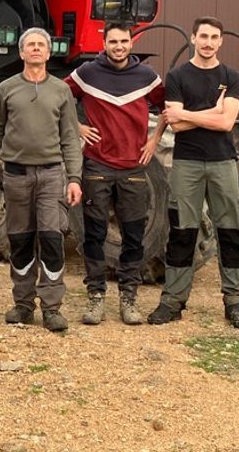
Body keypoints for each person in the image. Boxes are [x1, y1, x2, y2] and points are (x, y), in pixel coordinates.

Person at [147, 16, 239, 330]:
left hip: (223, 163)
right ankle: (172, 301)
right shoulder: (177, 76)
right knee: (182, 231)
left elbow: (226, 124)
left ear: (221, 42)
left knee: (231, 231)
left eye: (214, 37)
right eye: (203, 36)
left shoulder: (230, 76)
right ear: (193, 38)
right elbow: (174, 125)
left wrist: (189, 114)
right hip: (187, 163)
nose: (208, 42)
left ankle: (236, 302)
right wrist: (213, 111)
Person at [65, 21, 166, 325]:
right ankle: (96, 297)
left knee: (133, 236)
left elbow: (169, 108)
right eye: (113, 42)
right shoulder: (87, 73)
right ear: (104, 43)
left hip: (134, 167)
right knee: (94, 235)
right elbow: (57, 96)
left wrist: (155, 139)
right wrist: (77, 126)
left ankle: (129, 298)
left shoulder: (147, 77)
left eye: (123, 41)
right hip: (96, 166)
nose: (118, 46)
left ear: (131, 43)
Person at [0, 27, 83, 332]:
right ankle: (23, 304)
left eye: (41, 45)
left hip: (51, 175)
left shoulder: (61, 90)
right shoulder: (6, 88)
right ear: (21, 52)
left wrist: (74, 178)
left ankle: (52, 307)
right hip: (16, 176)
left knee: (52, 238)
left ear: (48, 52)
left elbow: (70, 136)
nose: (35, 49)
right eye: (30, 45)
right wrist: (13, 155)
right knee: (20, 239)